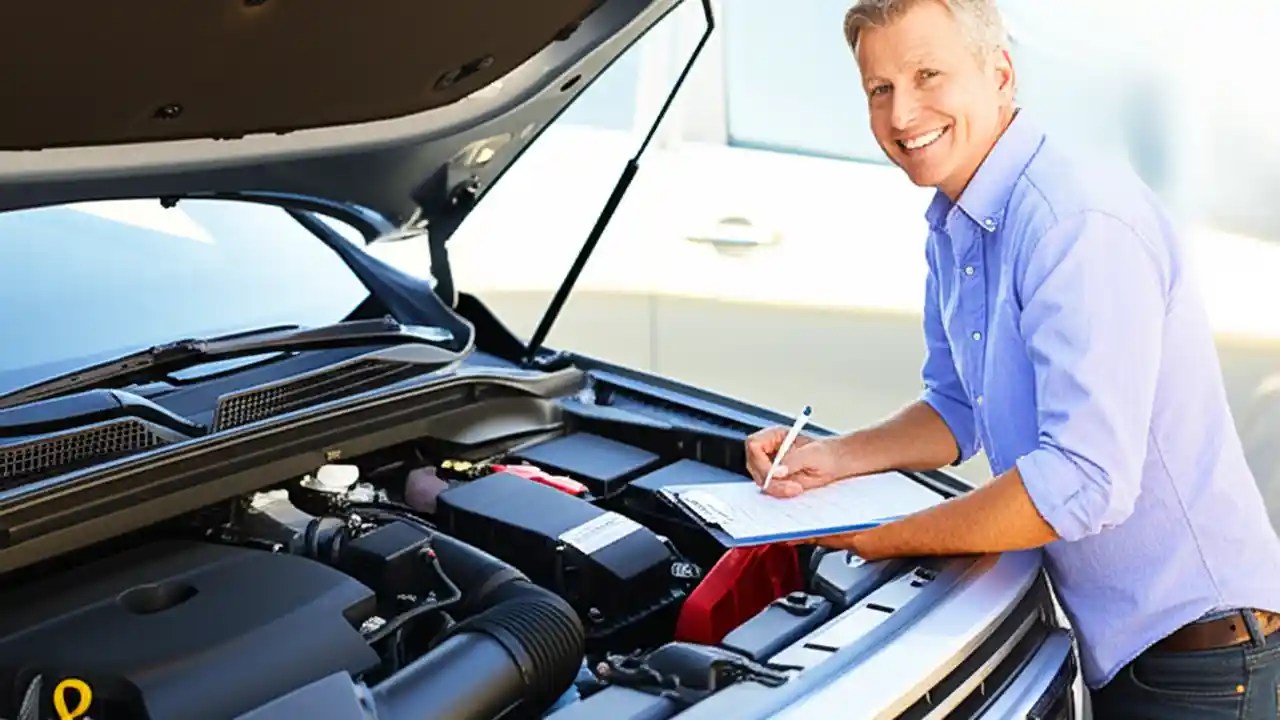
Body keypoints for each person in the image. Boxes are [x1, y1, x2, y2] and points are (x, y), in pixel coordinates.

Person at [743, 0, 1280, 716]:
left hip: (1205, 660)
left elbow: (1082, 482)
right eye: (880, 88)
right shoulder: (958, 224)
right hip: (1136, 652)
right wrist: (834, 458)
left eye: (928, 74)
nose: (903, 114)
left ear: (1000, 73)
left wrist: (886, 539)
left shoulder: (1073, 224)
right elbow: (957, 410)